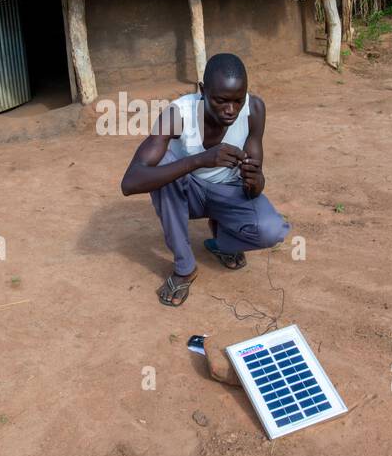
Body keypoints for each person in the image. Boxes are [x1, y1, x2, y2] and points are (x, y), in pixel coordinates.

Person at [120, 53, 290, 307]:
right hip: (185, 193)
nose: (230, 110)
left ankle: (221, 238)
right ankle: (185, 267)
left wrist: (256, 181)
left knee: (272, 230)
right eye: (221, 101)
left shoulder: (254, 110)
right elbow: (130, 182)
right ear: (202, 90)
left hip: (228, 191)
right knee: (164, 163)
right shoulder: (179, 114)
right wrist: (199, 160)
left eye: (237, 100)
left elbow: (256, 185)